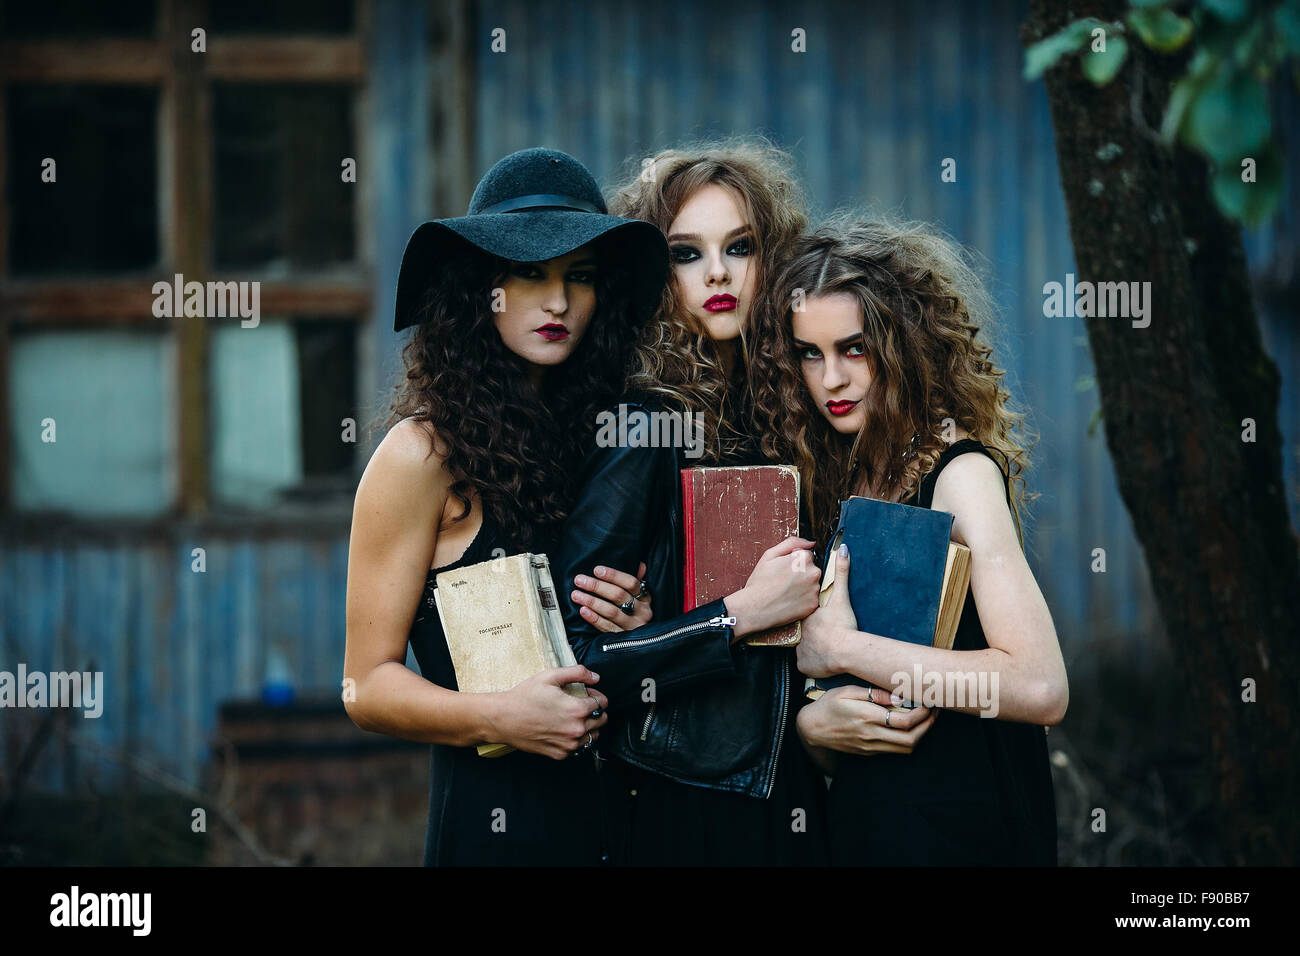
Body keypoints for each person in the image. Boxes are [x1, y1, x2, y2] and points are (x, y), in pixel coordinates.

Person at [561, 142, 929, 865]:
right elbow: (577, 662)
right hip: (690, 800)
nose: (719, 273)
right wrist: (733, 617)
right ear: (654, 275)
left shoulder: (795, 409)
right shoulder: (646, 423)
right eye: (686, 254)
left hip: (796, 779)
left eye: (739, 246)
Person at [342, 148, 668, 866]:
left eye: (579, 277)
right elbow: (364, 686)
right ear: (478, 288)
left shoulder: (618, 441)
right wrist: (498, 714)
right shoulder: (422, 456)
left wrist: (637, 624)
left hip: (622, 828)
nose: (557, 302)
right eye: (530, 272)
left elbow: (627, 656)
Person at [748, 216, 1068, 865]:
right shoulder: (836, 475)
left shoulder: (961, 474)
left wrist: (843, 647)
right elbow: (824, 695)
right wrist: (816, 733)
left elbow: (1040, 688)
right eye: (810, 353)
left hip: (966, 828)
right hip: (868, 827)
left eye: (854, 348)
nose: (831, 378)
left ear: (906, 342)